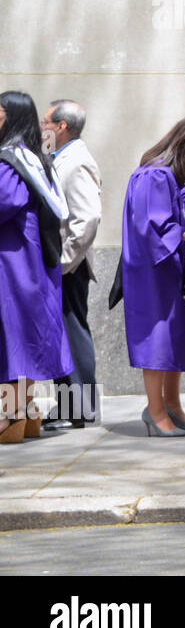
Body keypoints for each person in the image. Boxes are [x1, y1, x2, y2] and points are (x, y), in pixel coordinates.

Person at [121, 114, 185, 437]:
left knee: (176, 334)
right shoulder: (154, 175)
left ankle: (171, 404)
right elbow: (153, 227)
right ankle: (155, 409)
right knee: (157, 338)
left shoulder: (161, 175)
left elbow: (174, 202)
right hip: (152, 272)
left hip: (166, 269)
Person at [0, 92, 73, 444]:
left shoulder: (10, 162)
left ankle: (11, 415)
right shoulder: (36, 159)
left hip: (13, 266)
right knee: (23, 340)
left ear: (12, 117)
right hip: (31, 264)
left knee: (11, 339)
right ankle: (26, 412)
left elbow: (5, 201)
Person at [43, 99, 102, 430]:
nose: (42, 128)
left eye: (46, 122)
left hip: (69, 266)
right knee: (63, 335)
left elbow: (88, 217)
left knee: (72, 333)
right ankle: (72, 406)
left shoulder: (76, 161)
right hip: (65, 263)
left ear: (61, 127)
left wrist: (65, 262)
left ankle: (80, 407)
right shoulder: (62, 158)